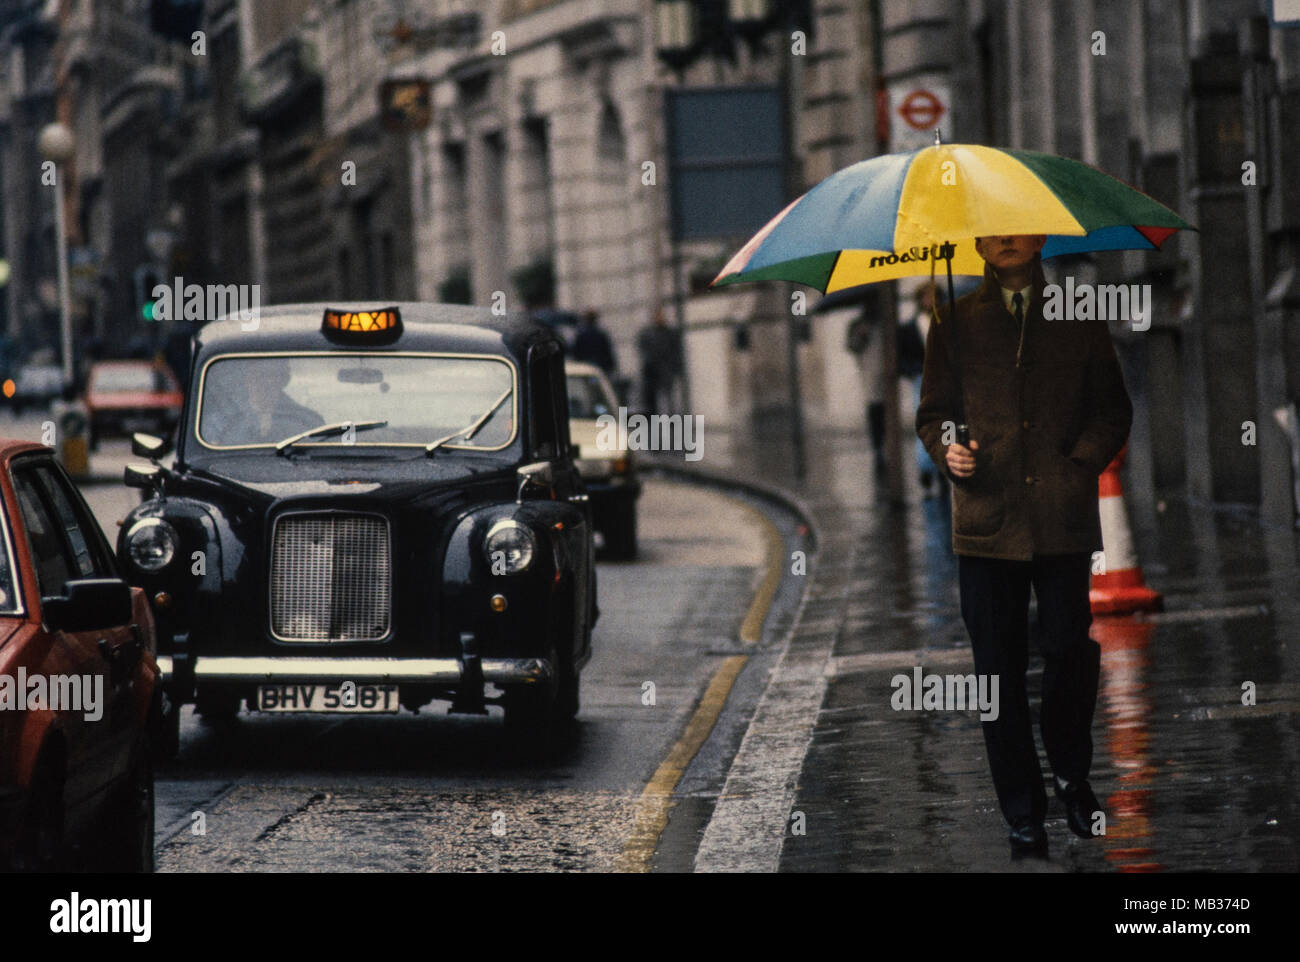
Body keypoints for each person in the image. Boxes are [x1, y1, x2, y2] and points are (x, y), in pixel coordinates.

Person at [916, 234, 1132, 859]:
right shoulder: (951, 323)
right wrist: (950, 447)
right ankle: (1022, 811)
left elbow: (1112, 411)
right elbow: (934, 415)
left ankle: (1071, 772)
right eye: (992, 230)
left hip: (1061, 521)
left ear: (1039, 236)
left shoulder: (1079, 317)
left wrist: (1078, 465)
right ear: (977, 242)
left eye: (1018, 227)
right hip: (985, 525)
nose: (1006, 240)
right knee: (996, 675)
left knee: (1069, 649)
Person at [199, 357, 322, 445]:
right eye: (259, 375)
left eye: (273, 376)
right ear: (247, 379)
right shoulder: (218, 423)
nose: (266, 383)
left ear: (284, 380)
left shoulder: (308, 421)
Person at [637, 308, 683, 416]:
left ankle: (670, 416)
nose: (659, 319)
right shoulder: (648, 333)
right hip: (653, 370)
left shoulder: (669, 332)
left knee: (668, 395)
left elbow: (676, 351)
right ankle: (657, 416)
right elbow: (644, 349)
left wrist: (676, 367)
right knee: (653, 396)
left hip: (665, 369)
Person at [572, 309, 617, 375]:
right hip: (600, 364)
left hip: (585, 364)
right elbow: (607, 351)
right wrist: (611, 365)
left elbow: (576, 352)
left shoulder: (581, 335)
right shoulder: (601, 334)